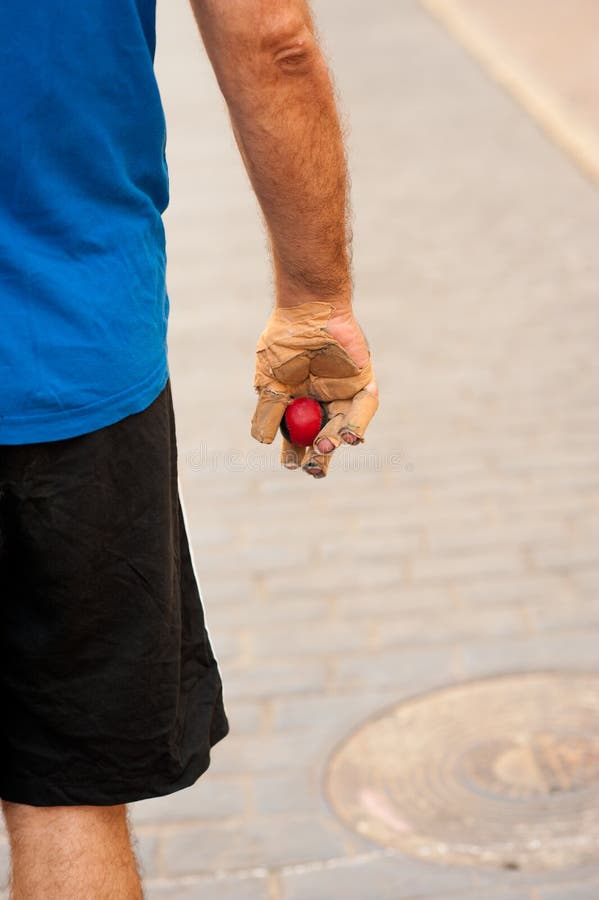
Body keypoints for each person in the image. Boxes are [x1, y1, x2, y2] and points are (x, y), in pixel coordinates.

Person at [0, 0, 378, 897]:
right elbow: (272, 38)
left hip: (69, 363)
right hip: (62, 357)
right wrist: (315, 301)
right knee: (66, 793)